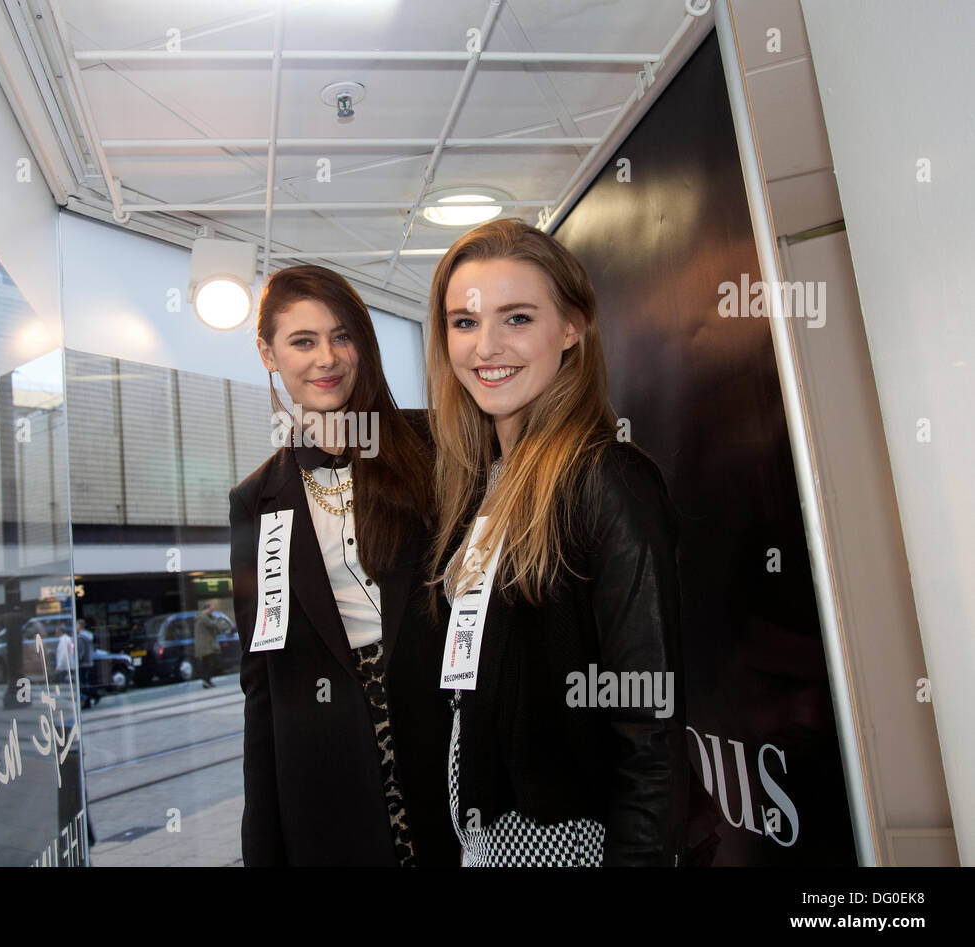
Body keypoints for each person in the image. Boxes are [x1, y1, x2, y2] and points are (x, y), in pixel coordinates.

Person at [425, 218, 688, 866]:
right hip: (485, 835)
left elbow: (649, 725)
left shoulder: (609, 479)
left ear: (571, 328)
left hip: (571, 844)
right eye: (464, 322)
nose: (486, 347)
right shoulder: (482, 479)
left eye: (516, 318)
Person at [230, 264, 459, 867]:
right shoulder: (256, 501)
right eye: (302, 341)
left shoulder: (433, 447)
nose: (326, 358)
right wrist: (263, 845)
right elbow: (261, 680)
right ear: (268, 354)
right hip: (327, 773)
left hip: (445, 743)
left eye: (342, 336)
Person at [192, 602, 221, 689]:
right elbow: (213, 625)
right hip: (207, 646)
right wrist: (215, 619)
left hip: (204, 645)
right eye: (211, 609)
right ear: (207, 608)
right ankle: (206, 680)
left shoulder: (201, 617)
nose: (212, 611)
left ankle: (206, 681)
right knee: (210, 663)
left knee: (206, 663)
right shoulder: (203, 618)